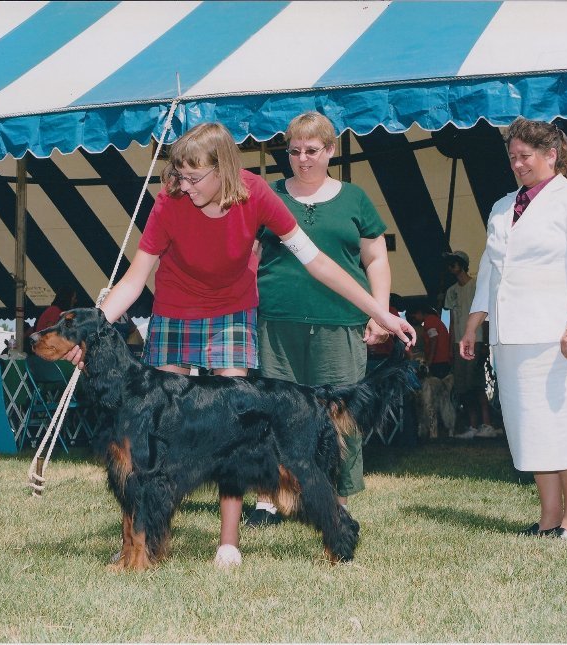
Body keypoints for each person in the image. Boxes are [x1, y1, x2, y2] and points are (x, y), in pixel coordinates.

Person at [65, 122, 415, 567]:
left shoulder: (256, 195)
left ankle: (228, 542)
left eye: (194, 177)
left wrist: (381, 311)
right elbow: (134, 280)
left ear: (223, 169)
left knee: (231, 430)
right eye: (180, 176)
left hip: (231, 311)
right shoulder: (169, 202)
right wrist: (93, 332)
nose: (184, 186)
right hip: (174, 309)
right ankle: (146, 539)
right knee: (153, 438)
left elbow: (319, 263)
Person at [248, 111, 395, 526]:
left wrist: (379, 312)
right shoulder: (268, 195)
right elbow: (249, 257)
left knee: (340, 413)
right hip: (275, 322)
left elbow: (376, 258)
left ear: (330, 150)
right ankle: (268, 500)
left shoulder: (355, 199)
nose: (302, 159)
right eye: (294, 151)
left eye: (311, 150)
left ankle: (338, 501)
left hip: (341, 323)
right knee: (272, 412)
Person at [459, 117, 567, 540]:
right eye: (512, 157)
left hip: (556, 336)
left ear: (551, 155)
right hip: (509, 337)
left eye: (525, 156)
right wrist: (473, 323)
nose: (517, 164)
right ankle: (548, 516)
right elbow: (491, 270)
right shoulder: (501, 207)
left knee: (562, 427)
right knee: (529, 428)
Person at [443, 250, 499, 439]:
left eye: (454, 263)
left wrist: (485, 343)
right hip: (458, 343)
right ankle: (473, 425)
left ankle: (487, 424)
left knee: (477, 384)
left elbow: (486, 316)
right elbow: (452, 322)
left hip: (477, 341)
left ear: (462, 264)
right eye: (449, 264)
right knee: (463, 386)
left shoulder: (477, 286)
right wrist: (451, 347)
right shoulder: (451, 291)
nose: (450, 267)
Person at [408, 302, 451, 378]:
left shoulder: (429, 321)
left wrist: (429, 361)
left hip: (438, 360)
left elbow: (433, 340)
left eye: (414, 317)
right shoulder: (433, 320)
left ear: (419, 312)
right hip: (441, 359)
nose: (415, 320)